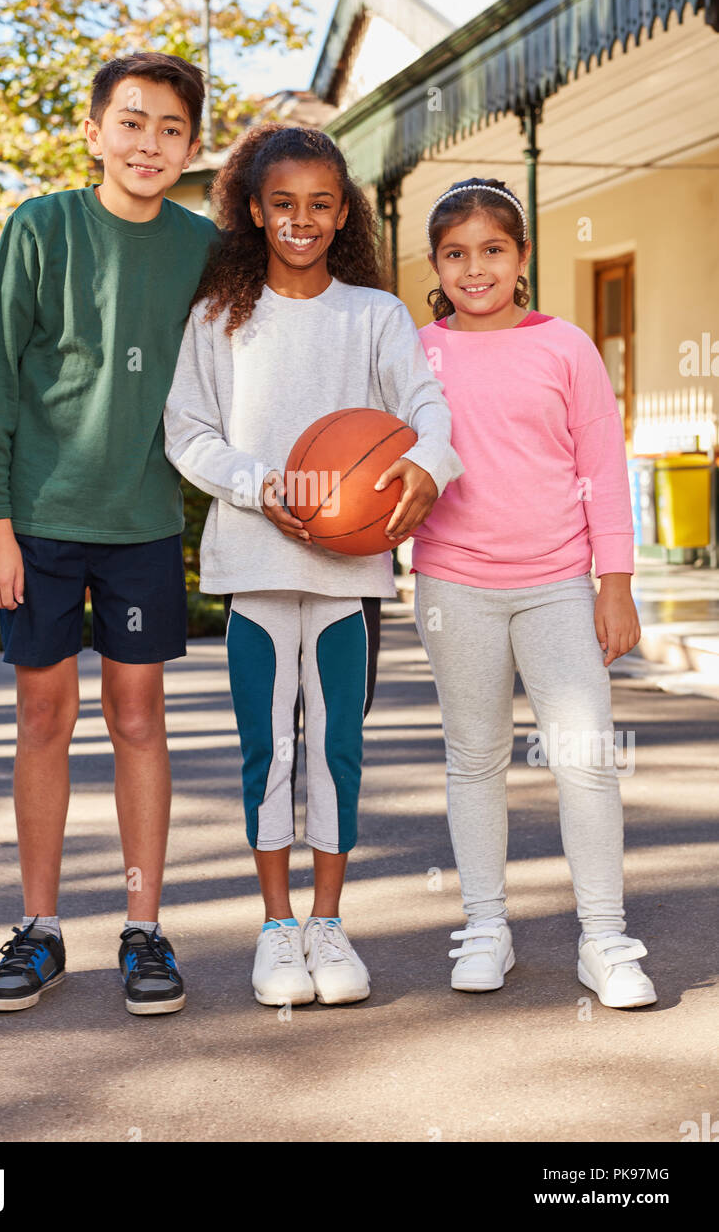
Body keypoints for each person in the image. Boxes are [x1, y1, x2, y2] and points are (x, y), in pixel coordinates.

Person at [163, 125, 463, 1007]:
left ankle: (329, 925)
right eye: (283, 203)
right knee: (267, 752)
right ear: (253, 210)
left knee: (336, 747)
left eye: (320, 205)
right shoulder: (219, 316)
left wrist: (427, 465)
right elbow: (188, 432)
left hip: (348, 576)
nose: (301, 219)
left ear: (344, 215)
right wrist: (262, 485)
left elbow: (427, 407)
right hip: (254, 563)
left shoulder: (374, 314)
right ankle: (274, 927)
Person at [0, 52, 219, 1016]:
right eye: (131, 121)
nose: (147, 142)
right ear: (93, 131)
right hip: (37, 521)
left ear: (191, 147)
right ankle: (38, 931)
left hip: (143, 522)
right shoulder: (41, 226)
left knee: (139, 720)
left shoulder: (202, 247)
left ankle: (143, 928)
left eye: (168, 129)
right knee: (43, 720)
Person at [412, 176, 656, 1008]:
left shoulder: (567, 347)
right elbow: (390, 467)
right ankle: (486, 927)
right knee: (473, 758)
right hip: (454, 585)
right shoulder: (417, 351)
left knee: (585, 760)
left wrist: (613, 583)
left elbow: (602, 472)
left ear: (521, 258)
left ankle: (605, 939)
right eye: (455, 254)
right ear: (436, 264)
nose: (473, 269)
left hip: (556, 583)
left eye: (492, 250)